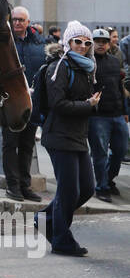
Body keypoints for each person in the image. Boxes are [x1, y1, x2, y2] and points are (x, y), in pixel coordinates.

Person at [38, 21, 99, 256]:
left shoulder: (87, 67)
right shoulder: (60, 66)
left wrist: (91, 103)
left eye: (86, 42)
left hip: (77, 134)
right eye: (77, 41)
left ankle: (45, 218)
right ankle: (62, 240)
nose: (82, 46)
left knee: (86, 189)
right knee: (69, 190)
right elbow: (58, 103)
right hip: (59, 134)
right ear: (67, 43)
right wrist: (88, 105)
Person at [2, 5, 47, 201]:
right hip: (11, 102)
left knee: (28, 145)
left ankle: (25, 185)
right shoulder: (4, 41)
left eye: (21, 20)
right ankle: (12, 185)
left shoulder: (39, 42)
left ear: (28, 22)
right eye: (14, 20)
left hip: (32, 102)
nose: (17, 23)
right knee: (11, 144)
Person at [88, 27, 129, 202]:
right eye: (97, 41)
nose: (100, 44)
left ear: (108, 44)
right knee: (100, 153)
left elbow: (120, 87)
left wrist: (125, 111)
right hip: (98, 117)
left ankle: (108, 179)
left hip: (118, 114)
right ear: (92, 43)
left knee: (120, 152)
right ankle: (102, 187)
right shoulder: (87, 62)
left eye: (104, 42)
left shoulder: (114, 61)